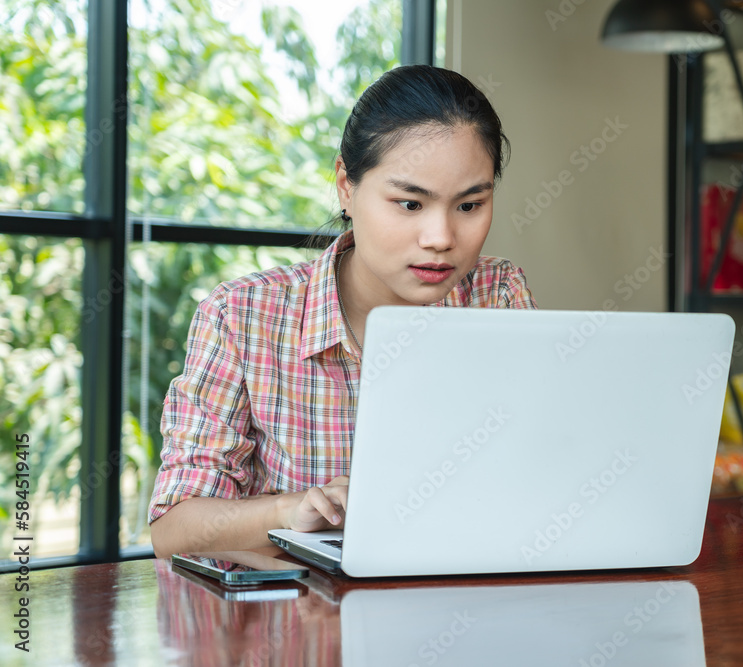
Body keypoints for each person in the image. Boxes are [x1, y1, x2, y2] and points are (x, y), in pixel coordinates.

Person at [149, 65, 537, 558]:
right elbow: (173, 529)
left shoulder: (498, 295)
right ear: (346, 187)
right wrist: (289, 511)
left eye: (468, 206)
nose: (441, 238)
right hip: (295, 626)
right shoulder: (243, 316)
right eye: (410, 204)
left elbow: (539, 477)